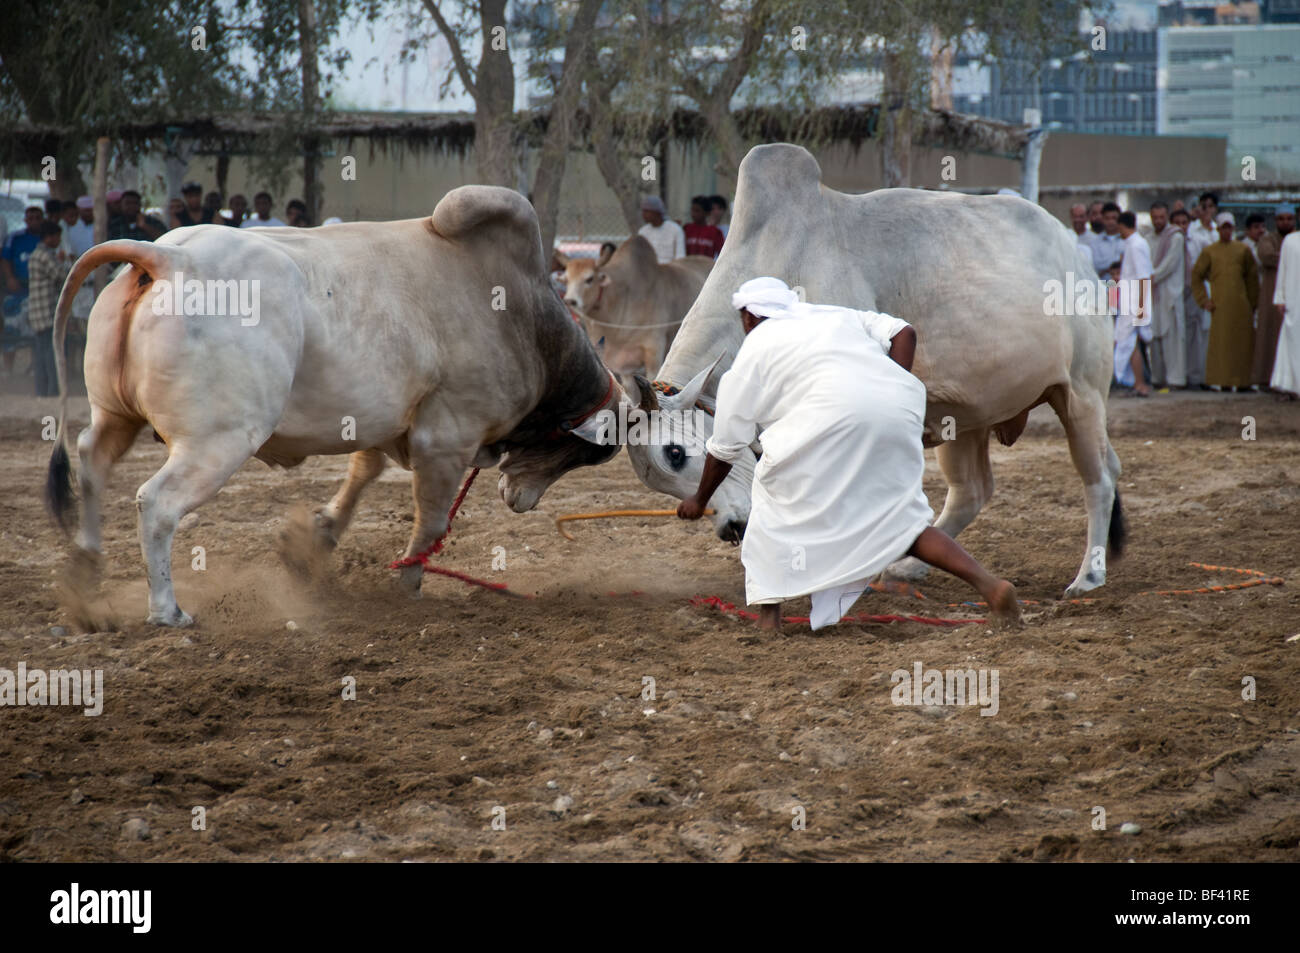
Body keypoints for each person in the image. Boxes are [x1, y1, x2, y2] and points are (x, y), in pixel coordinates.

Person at [675, 276, 1020, 632]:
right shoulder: (832, 314)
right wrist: (885, 386)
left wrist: (699, 499)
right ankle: (991, 587)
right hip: (897, 410)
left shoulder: (755, 348)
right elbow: (904, 332)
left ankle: (769, 620)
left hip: (830, 420)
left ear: (749, 317)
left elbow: (726, 446)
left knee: (769, 505)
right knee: (901, 520)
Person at [1191, 212, 1258, 391]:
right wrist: (1204, 300)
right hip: (1219, 306)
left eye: (1229, 227)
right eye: (1223, 228)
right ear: (1218, 229)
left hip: (1242, 306)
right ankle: (1223, 382)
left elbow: (1252, 278)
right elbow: (1196, 276)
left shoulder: (1243, 250)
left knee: (1243, 345)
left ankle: (1244, 382)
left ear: (1234, 228)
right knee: (1222, 346)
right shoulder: (1210, 251)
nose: (1226, 231)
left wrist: (1252, 303)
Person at [26, 221, 71, 397]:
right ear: (50, 237)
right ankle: (52, 392)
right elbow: (61, 275)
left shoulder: (37, 254)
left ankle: (42, 391)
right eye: (57, 236)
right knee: (51, 354)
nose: (59, 240)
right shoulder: (45, 255)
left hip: (38, 312)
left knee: (42, 354)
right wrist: (65, 262)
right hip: (47, 312)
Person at [1253, 203, 1295, 388]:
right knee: (1270, 338)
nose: (1285, 222)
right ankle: (1268, 380)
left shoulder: (1295, 240)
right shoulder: (1267, 239)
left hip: (1295, 298)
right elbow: (1266, 255)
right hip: (1273, 297)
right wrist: (1290, 257)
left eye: (1289, 218)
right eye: (1281, 219)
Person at [1148, 201, 1187, 389]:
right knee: (1154, 337)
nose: (1158, 221)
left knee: (1172, 338)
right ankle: (1158, 378)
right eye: (1155, 217)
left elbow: (1168, 265)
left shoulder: (1175, 237)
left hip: (1170, 294)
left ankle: (1176, 379)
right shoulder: (1148, 238)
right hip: (1153, 295)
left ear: (1167, 216)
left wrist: (1148, 278)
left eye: (1161, 217)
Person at [1, 206, 45, 374]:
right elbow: (5, 259)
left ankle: (35, 368)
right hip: (17, 292)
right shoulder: (15, 237)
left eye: (37, 217)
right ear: (25, 220)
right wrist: (10, 278)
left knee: (37, 330)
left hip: (37, 293)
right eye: (30, 218)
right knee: (11, 329)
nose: (34, 221)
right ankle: (8, 370)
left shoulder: (46, 238)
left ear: (42, 219)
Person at [1114, 211, 1153, 396]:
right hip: (1129, 301)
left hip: (1134, 302)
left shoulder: (1136, 245)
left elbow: (1144, 277)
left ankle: (1140, 383)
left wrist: (1141, 308)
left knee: (1128, 343)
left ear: (1122, 225)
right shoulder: (1132, 244)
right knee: (1129, 344)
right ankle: (1137, 383)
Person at [1271, 229, 1300, 399]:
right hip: (1294, 302)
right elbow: (1282, 268)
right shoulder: (1290, 240)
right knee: (1291, 342)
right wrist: (1280, 297)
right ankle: (1289, 386)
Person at [636, 195, 684, 263]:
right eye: (643, 211)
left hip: (670, 271)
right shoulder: (642, 232)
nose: (643, 214)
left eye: (646, 211)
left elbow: (680, 257)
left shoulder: (675, 230)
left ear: (657, 212)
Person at [1091, 202, 1124, 278]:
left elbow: (1127, 263)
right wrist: (1118, 262)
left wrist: (1107, 266)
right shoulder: (1095, 241)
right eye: (1107, 218)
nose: (1110, 222)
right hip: (1104, 285)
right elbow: (1097, 265)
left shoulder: (1125, 239)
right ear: (1102, 219)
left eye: (1114, 218)